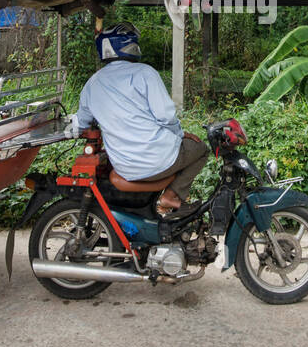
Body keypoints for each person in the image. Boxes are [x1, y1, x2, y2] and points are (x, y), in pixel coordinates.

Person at [73, 22, 208, 216]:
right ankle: (172, 195)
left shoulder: (92, 84)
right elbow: (166, 116)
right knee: (201, 149)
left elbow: (81, 123)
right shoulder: (145, 73)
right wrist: (179, 135)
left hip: (124, 166)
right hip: (160, 159)